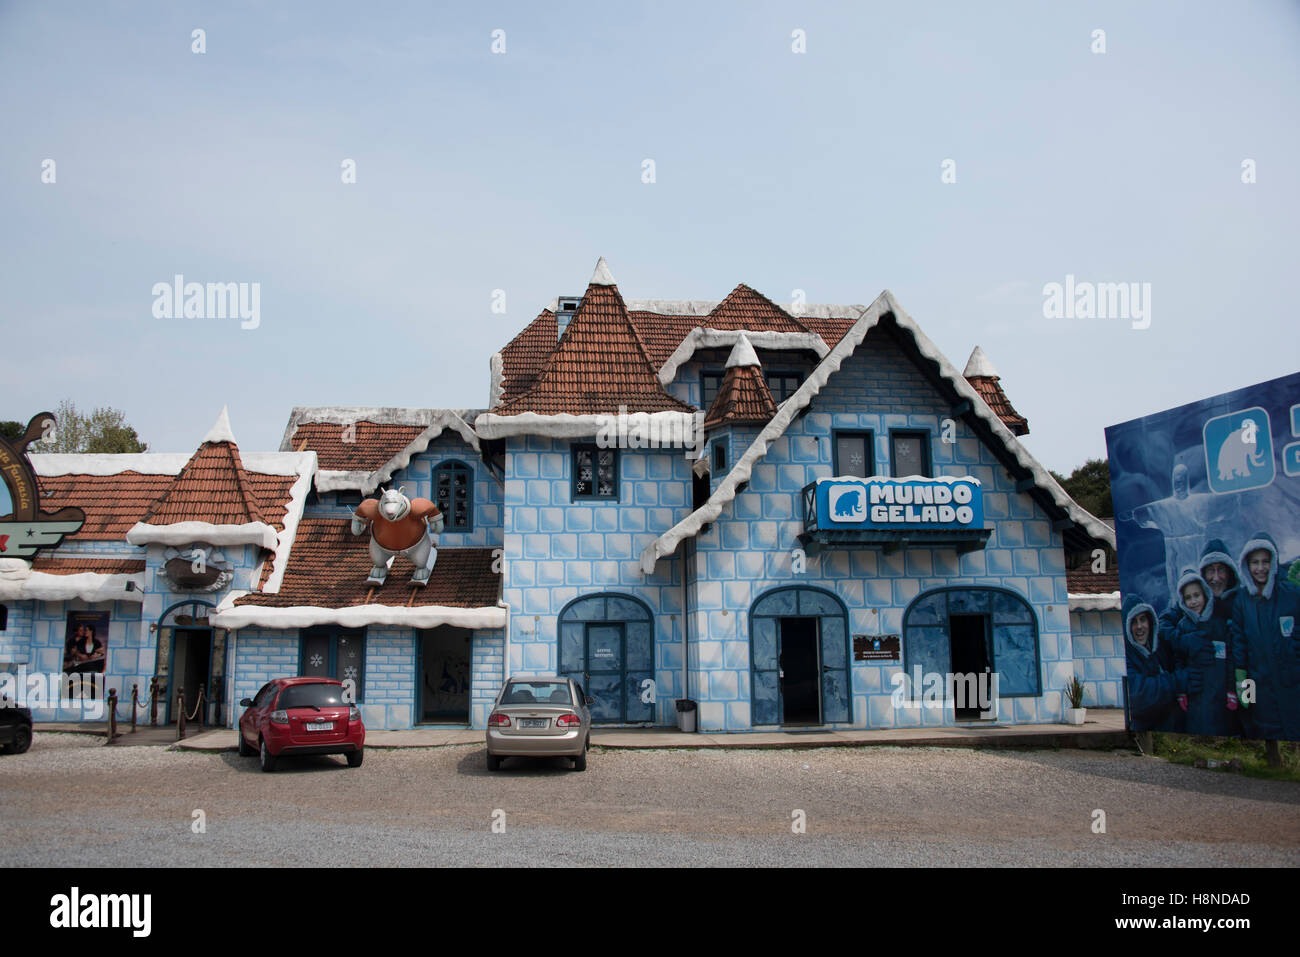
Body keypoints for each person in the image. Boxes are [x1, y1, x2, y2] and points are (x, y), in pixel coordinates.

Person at [1228, 532, 1300, 740]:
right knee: (1267, 734)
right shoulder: (1242, 601)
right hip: (1261, 690)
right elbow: (1240, 646)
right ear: (1246, 566)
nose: (1260, 568)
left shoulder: (1291, 594)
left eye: (1265, 562)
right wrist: (1244, 691)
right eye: (1254, 562)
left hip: (1292, 686)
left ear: (1273, 563)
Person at [1170, 569, 1234, 736]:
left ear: (1205, 594)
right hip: (1195, 695)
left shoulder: (1219, 624)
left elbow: (1230, 660)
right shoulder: (1183, 626)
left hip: (1219, 691)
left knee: (1223, 729)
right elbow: (1178, 661)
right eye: (1188, 598)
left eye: (1196, 595)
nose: (1193, 601)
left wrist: (1232, 689)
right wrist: (1181, 691)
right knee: (1198, 729)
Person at [1124, 594, 1200, 732]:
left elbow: (1167, 620)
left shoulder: (1159, 646)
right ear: (1127, 627)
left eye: (1143, 620)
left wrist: (1183, 603)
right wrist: (1178, 681)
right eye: (1134, 622)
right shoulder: (1127, 656)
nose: (1139, 626)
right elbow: (1140, 694)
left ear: (1150, 622)